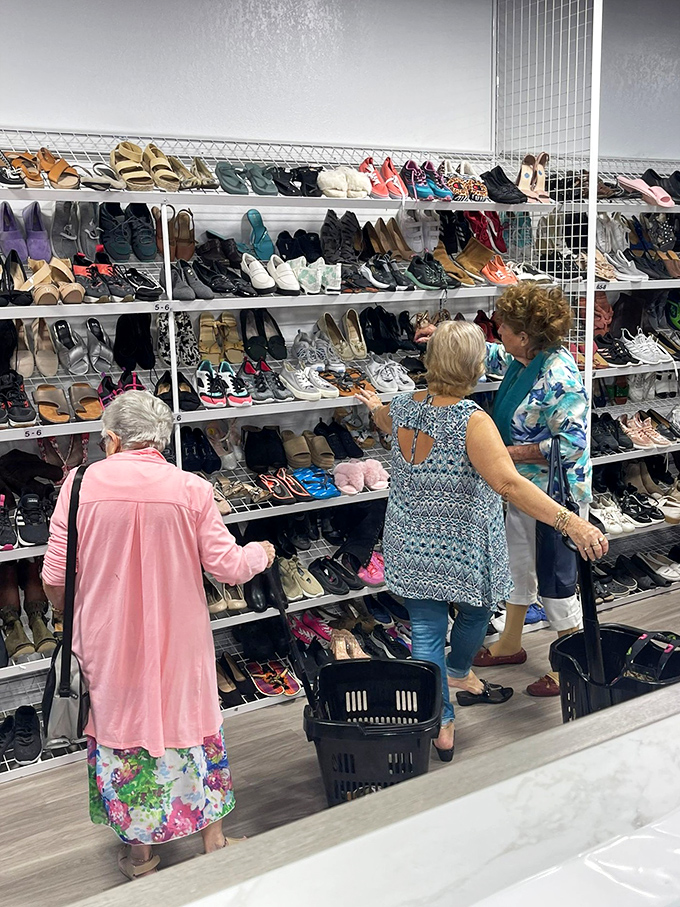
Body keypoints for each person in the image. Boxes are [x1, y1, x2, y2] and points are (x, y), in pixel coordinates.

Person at [42, 391, 274, 880]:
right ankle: (214, 841)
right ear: (161, 441)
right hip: (180, 640)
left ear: (111, 439)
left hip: (106, 640)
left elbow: (55, 577)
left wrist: (74, 608)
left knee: (121, 733)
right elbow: (228, 568)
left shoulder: (79, 485)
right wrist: (260, 552)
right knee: (193, 725)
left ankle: (140, 857)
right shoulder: (191, 488)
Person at [355, 320, 605, 761]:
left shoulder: (403, 406)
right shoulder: (473, 421)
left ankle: (442, 719)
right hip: (463, 544)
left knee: (427, 631)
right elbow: (509, 484)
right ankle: (456, 671)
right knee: (478, 610)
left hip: (409, 540)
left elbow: (382, 419)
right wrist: (571, 522)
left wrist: (374, 403)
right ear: (474, 368)